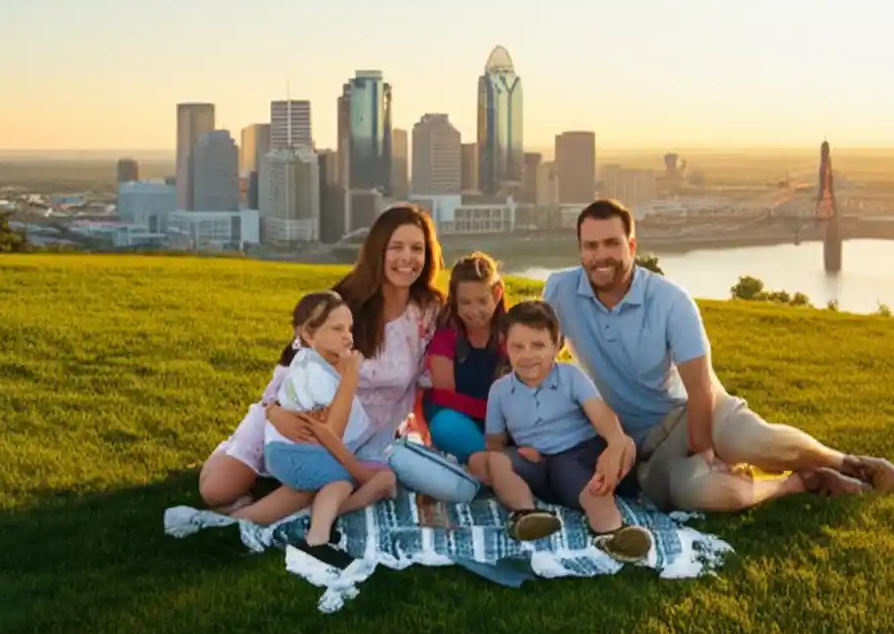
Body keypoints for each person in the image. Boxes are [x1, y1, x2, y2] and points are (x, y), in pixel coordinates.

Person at [542, 199, 894, 513]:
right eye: (590, 246)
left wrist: (705, 451)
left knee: (752, 442)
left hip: (697, 412)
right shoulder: (560, 291)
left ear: (632, 246)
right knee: (702, 493)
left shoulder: (670, 300)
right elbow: (537, 358)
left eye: (611, 243)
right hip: (643, 445)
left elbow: (700, 388)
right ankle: (802, 482)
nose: (600, 256)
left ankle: (848, 463)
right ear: (579, 249)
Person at [268, 204, 444, 469]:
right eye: (396, 247)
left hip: (373, 434)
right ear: (378, 251)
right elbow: (296, 357)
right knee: (216, 486)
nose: (407, 257)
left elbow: (433, 374)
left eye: (417, 249)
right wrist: (273, 409)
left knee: (337, 483)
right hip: (310, 419)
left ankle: (251, 510)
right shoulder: (347, 301)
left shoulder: (429, 311)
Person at [232, 291, 396, 568]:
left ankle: (279, 517)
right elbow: (333, 431)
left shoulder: (321, 364)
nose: (348, 337)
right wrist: (351, 376)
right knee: (355, 482)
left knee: (376, 480)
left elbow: (330, 425)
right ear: (309, 335)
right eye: (337, 329)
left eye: (349, 329)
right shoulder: (313, 370)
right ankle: (316, 538)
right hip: (295, 453)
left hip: (301, 451)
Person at [481, 300, 649, 562]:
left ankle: (613, 533)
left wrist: (615, 442)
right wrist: (513, 451)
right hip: (536, 463)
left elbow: (600, 413)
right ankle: (526, 515)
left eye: (538, 345)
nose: (527, 355)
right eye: (518, 346)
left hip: (576, 455)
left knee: (593, 489)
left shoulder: (571, 376)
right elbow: (494, 442)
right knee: (495, 460)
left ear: (556, 346)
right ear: (506, 347)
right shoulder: (500, 390)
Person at [198, 294, 334, 518]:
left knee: (313, 475)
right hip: (268, 425)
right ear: (300, 331)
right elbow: (270, 402)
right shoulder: (295, 360)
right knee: (214, 492)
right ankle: (230, 448)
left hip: (308, 440)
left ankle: (246, 514)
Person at [424, 252, 507, 478]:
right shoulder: (446, 337)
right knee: (445, 424)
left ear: (497, 294)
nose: (473, 311)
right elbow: (445, 396)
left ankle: (486, 469)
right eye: (465, 302)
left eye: (482, 301)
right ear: (455, 301)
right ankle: (493, 466)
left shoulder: (509, 336)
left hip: (503, 421)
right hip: (460, 417)